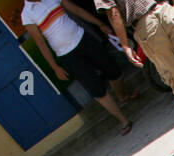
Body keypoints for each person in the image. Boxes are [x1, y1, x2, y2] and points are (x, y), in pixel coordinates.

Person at [21, 0, 135, 134]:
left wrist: (100, 24)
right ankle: (123, 120)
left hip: (83, 38)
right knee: (96, 89)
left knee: (113, 70)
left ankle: (122, 96)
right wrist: (55, 67)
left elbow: (77, 10)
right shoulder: (27, 14)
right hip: (67, 55)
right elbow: (40, 43)